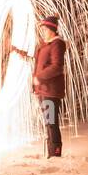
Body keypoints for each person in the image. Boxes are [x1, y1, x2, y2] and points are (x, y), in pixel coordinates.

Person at [13, 16, 66, 157]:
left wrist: (39, 77)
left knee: (51, 123)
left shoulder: (57, 44)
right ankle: (51, 154)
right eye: (42, 29)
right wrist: (19, 52)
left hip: (51, 91)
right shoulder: (45, 45)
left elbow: (57, 67)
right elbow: (37, 60)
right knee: (49, 123)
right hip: (43, 90)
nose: (42, 31)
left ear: (51, 29)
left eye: (44, 29)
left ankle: (55, 154)